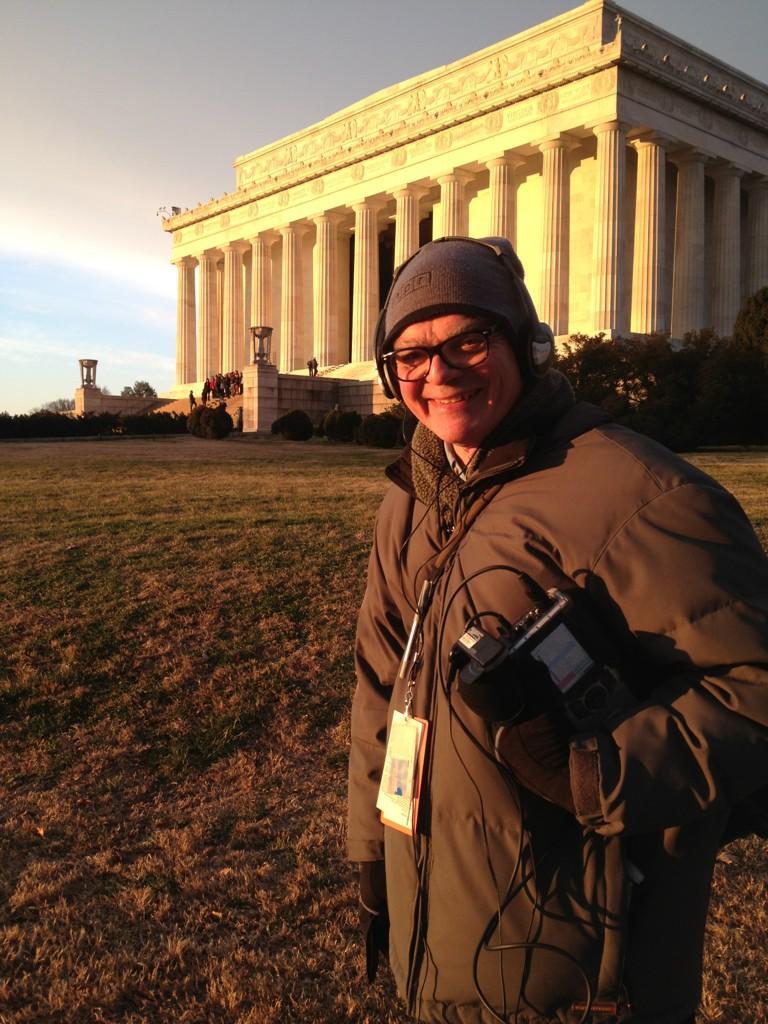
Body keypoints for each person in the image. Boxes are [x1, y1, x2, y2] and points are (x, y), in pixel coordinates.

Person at [347, 236, 768, 1024]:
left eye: (468, 340)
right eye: (408, 354)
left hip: (587, 973)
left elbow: (753, 689)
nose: (436, 372)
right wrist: (373, 851)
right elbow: (381, 684)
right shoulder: (410, 499)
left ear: (524, 343)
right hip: (439, 929)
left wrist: (597, 773)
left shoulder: (641, 493)